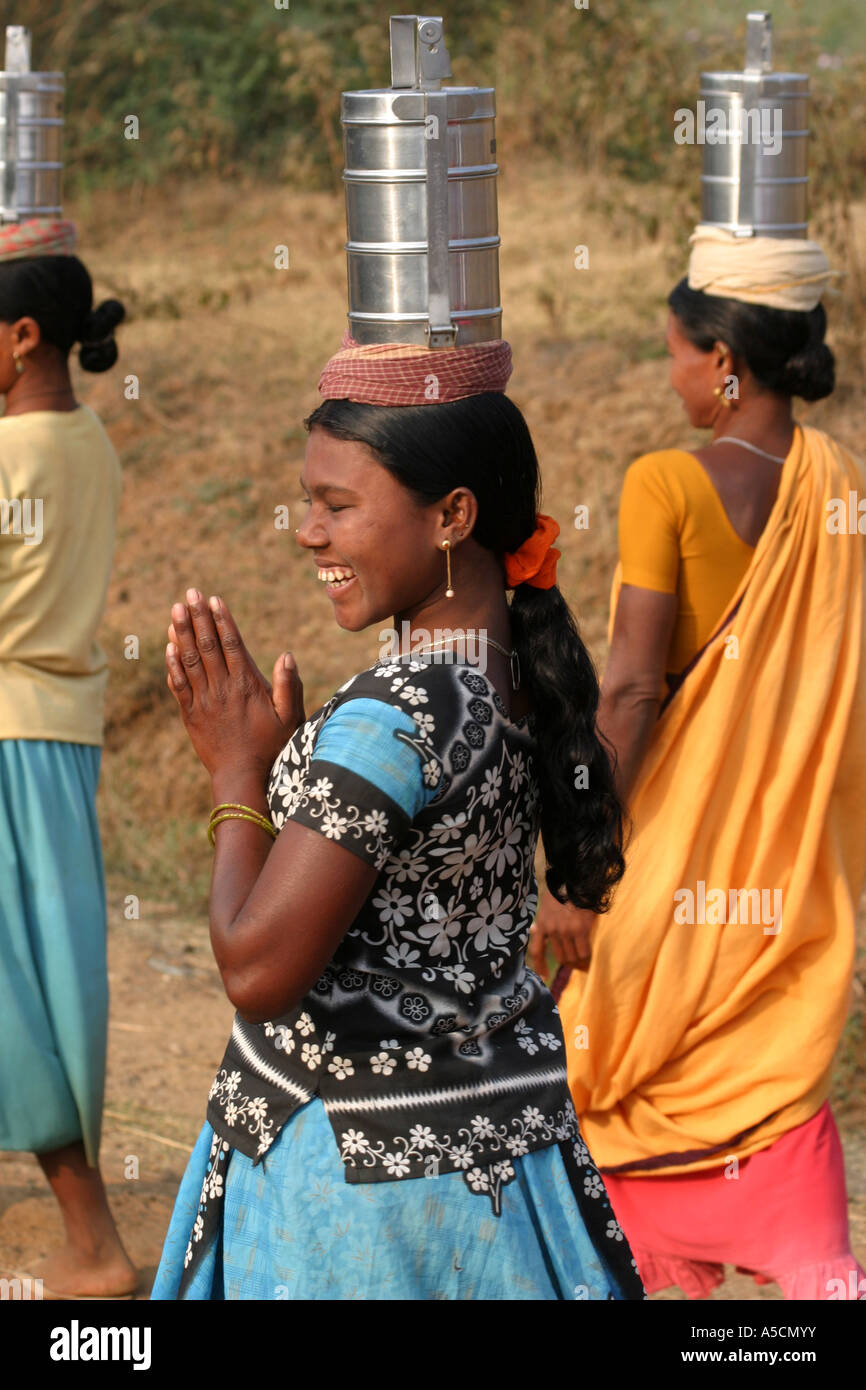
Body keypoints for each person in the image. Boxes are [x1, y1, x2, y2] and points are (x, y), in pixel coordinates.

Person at [151, 335, 644, 1300]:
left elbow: (255, 969)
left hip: (358, 1197)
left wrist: (241, 774)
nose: (307, 531)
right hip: (494, 1168)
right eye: (308, 501)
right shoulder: (507, 670)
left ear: (454, 514)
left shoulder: (393, 716)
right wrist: (302, 772)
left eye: (338, 505)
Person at [535, 227, 866, 1300]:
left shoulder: (662, 485)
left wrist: (576, 869)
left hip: (659, 872)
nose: (668, 373)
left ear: (721, 357)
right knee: (775, 1099)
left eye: (673, 350)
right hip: (785, 881)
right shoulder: (845, 490)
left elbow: (628, 690)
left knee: (610, 1073)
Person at [0, 218, 135, 1297]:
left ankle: (92, 1241)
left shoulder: (8, 454)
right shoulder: (89, 444)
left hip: (5, 730)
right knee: (45, 973)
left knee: (16, 993)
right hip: (57, 727)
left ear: (22, 336)